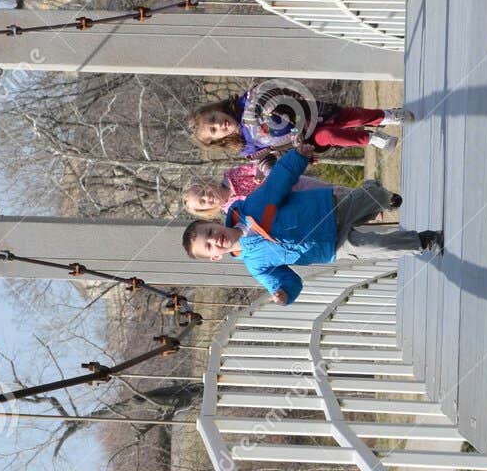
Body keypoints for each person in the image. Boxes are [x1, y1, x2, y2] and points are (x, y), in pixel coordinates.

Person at [180, 143, 442, 305]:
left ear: (215, 223)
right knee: (377, 247)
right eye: (209, 245)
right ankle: (423, 241)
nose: (214, 239)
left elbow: (277, 183)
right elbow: (287, 281)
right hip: (330, 247)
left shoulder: (250, 209)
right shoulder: (256, 265)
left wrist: (297, 157)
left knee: (370, 199)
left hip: (328, 207)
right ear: (215, 257)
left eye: (210, 232)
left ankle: (377, 194)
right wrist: (284, 295)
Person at [185, 83, 414, 156]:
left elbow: (269, 89)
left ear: (216, 109)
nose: (219, 124)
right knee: (330, 135)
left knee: (351, 117)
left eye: (213, 118)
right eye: (214, 130)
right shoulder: (245, 146)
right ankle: (371, 138)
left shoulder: (246, 102)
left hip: (307, 112)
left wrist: (270, 101)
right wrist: (267, 171)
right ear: (218, 140)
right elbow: (265, 158)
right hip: (304, 137)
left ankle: (387, 116)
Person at [182, 155, 331, 218]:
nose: (207, 197)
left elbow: (257, 165)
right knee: (324, 208)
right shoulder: (233, 213)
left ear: (207, 183)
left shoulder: (232, 176)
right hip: (288, 205)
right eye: (202, 202)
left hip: (292, 184)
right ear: (206, 211)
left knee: (330, 192)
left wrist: (261, 173)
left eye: (203, 192)